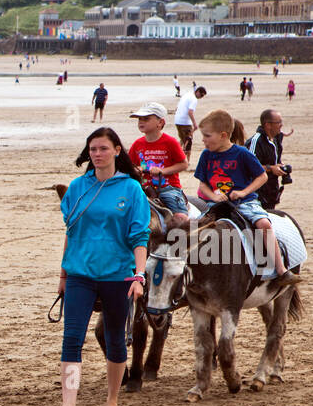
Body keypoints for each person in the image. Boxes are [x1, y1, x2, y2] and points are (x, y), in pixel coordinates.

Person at [43, 128, 149, 406]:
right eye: (92, 149)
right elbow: (71, 233)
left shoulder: (131, 190)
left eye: (103, 148)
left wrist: (138, 276)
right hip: (79, 273)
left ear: (117, 150)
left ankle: (112, 399)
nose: (97, 154)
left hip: (118, 275)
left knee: (116, 340)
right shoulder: (77, 187)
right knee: (72, 339)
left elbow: (139, 237)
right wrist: (63, 275)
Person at [194, 109, 298, 287]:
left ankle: (281, 270)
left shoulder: (242, 154)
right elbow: (203, 184)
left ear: (223, 135)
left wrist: (243, 192)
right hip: (216, 203)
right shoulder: (206, 155)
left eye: (207, 136)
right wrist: (214, 196)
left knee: (264, 224)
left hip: (245, 202)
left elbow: (262, 177)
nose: (203, 140)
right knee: (192, 229)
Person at [127, 102, 190, 229]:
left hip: (167, 188)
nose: (141, 122)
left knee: (180, 219)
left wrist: (163, 171)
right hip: (143, 188)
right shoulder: (137, 144)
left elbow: (184, 164)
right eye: (140, 119)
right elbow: (130, 166)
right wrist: (136, 169)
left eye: (146, 119)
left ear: (160, 122)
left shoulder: (170, 142)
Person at [245, 109, 291, 210]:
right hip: (257, 194)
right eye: (278, 122)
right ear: (268, 125)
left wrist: (280, 167)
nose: (281, 125)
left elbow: (275, 162)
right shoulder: (256, 141)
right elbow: (248, 167)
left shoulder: (275, 140)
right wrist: (271, 168)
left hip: (271, 192)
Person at [173, 85, 206, 159]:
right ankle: (186, 160)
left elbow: (177, 107)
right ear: (197, 92)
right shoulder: (194, 99)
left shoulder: (187, 94)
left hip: (177, 120)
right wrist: (194, 124)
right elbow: (190, 112)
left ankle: (176, 154)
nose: (201, 97)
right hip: (185, 122)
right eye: (201, 95)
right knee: (188, 141)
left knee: (182, 139)